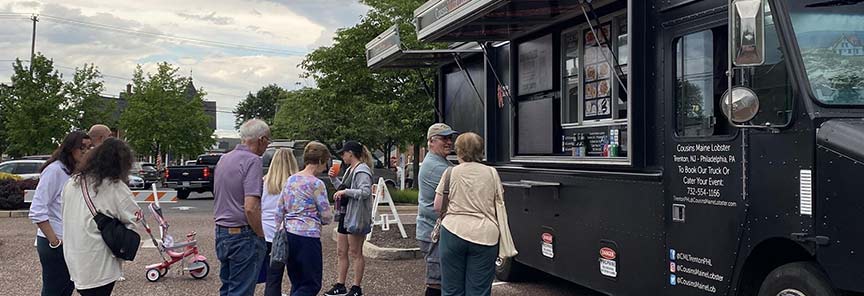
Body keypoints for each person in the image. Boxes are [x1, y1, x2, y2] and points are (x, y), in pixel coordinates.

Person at [62, 138, 141, 296]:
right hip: (99, 259)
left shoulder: (72, 183)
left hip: (74, 256)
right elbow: (134, 217)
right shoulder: (113, 186)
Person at [435, 132, 503, 296]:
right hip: (485, 235)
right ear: (481, 150)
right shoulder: (492, 173)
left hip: (453, 231)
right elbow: (500, 201)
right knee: (479, 290)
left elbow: (438, 205)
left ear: (459, 151)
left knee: (451, 289)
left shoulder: (451, 173)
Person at [28, 131, 92, 296]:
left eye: (89, 147)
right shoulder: (55, 170)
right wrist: (55, 241)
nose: (86, 151)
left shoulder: (75, 172)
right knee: (54, 290)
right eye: (81, 147)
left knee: (66, 288)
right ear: (70, 148)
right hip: (54, 242)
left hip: (71, 242)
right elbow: (37, 210)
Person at [214, 118, 270, 296]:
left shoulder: (224, 159)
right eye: (268, 140)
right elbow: (251, 207)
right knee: (242, 290)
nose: (267, 145)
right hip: (243, 235)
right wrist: (261, 234)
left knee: (228, 287)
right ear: (261, 139)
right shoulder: (253, 161)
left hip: (222, 231)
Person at [270, 141, 334, 296]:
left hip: (289, 234)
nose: (325, 167)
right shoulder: (316, 184)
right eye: (325, 163)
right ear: (320, 161)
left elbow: (279, 210)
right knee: (310, 284)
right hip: (308, 236)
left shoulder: (291, 180)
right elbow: (326, 216)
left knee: (297, 281)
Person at [323, 141, 374, 296]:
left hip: (356, 216)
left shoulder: (362, 170)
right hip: (346, 214)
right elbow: (344, 188)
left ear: (350, 153)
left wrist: (345, 193)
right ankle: (340, 284)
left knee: (355, 251)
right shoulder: (350, 170)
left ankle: (356, 287)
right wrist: (334, 180)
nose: (342, 156)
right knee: (341, 251)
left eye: (343, 153)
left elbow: (364, 192)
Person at [416, 123, 457, 296]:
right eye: (444, 138)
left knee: (441, 281)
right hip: (434, 234)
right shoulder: (437, 167)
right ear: (431, 142)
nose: (449, 142)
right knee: (436, 284)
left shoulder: (441, 162)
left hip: (435, 231)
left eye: (450, 138)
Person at [261, 148, 300, 295]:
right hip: (291, 231)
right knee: (297, 276)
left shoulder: (264, 182)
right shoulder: (297, 183)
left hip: (268, 232)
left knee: (273, 277)